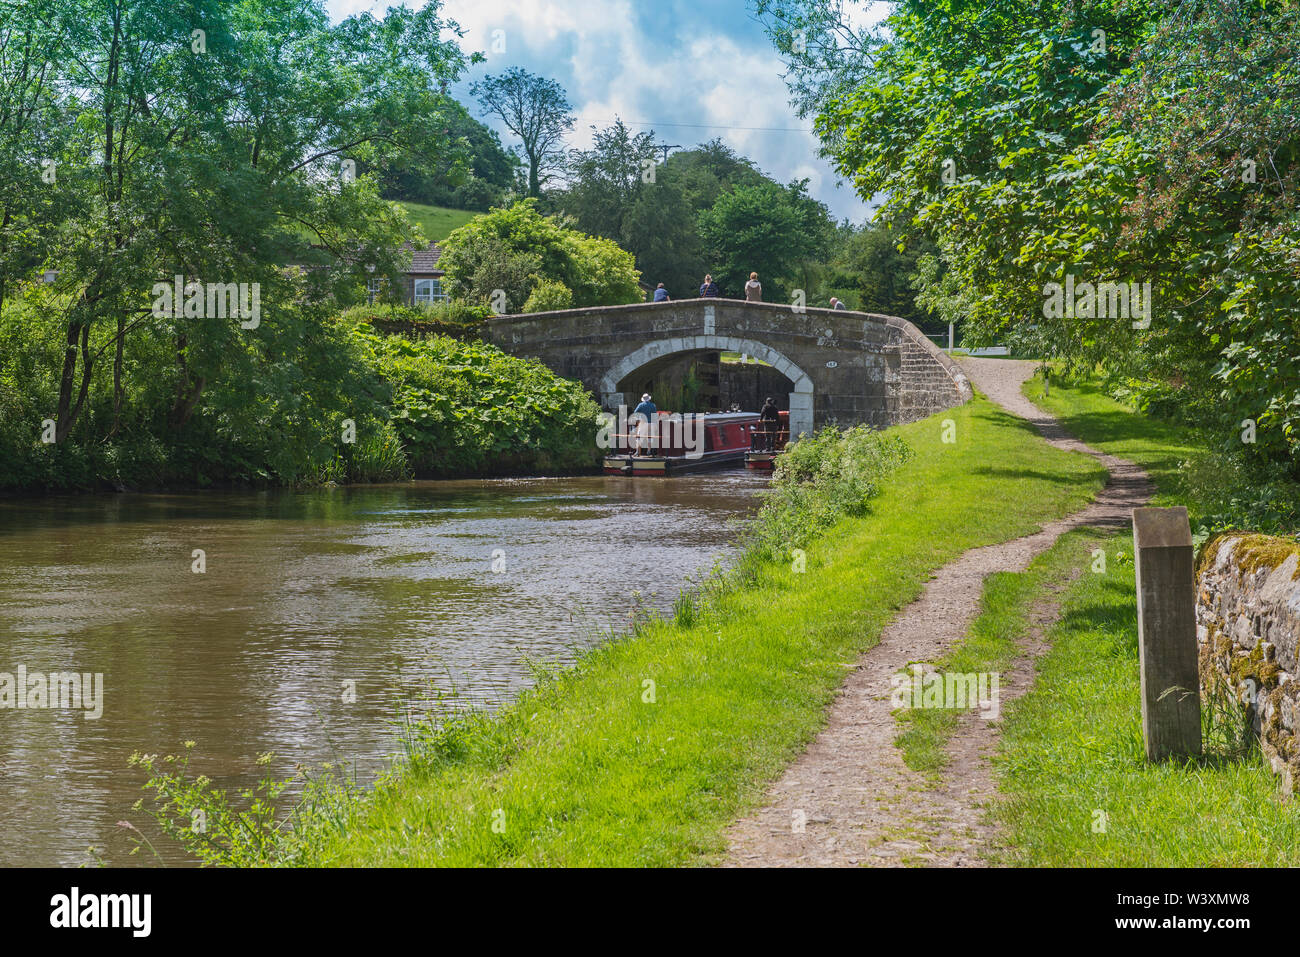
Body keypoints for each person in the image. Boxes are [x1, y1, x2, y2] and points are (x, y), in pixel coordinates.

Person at [631, 392, 657, 456]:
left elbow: (635, 412)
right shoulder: (653, 405)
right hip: (650, 424)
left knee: (638, 437)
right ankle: (648, 451)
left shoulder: (640, 405)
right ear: (649, 399)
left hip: (642, 423)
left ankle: (637, 452)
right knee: (649, 437)